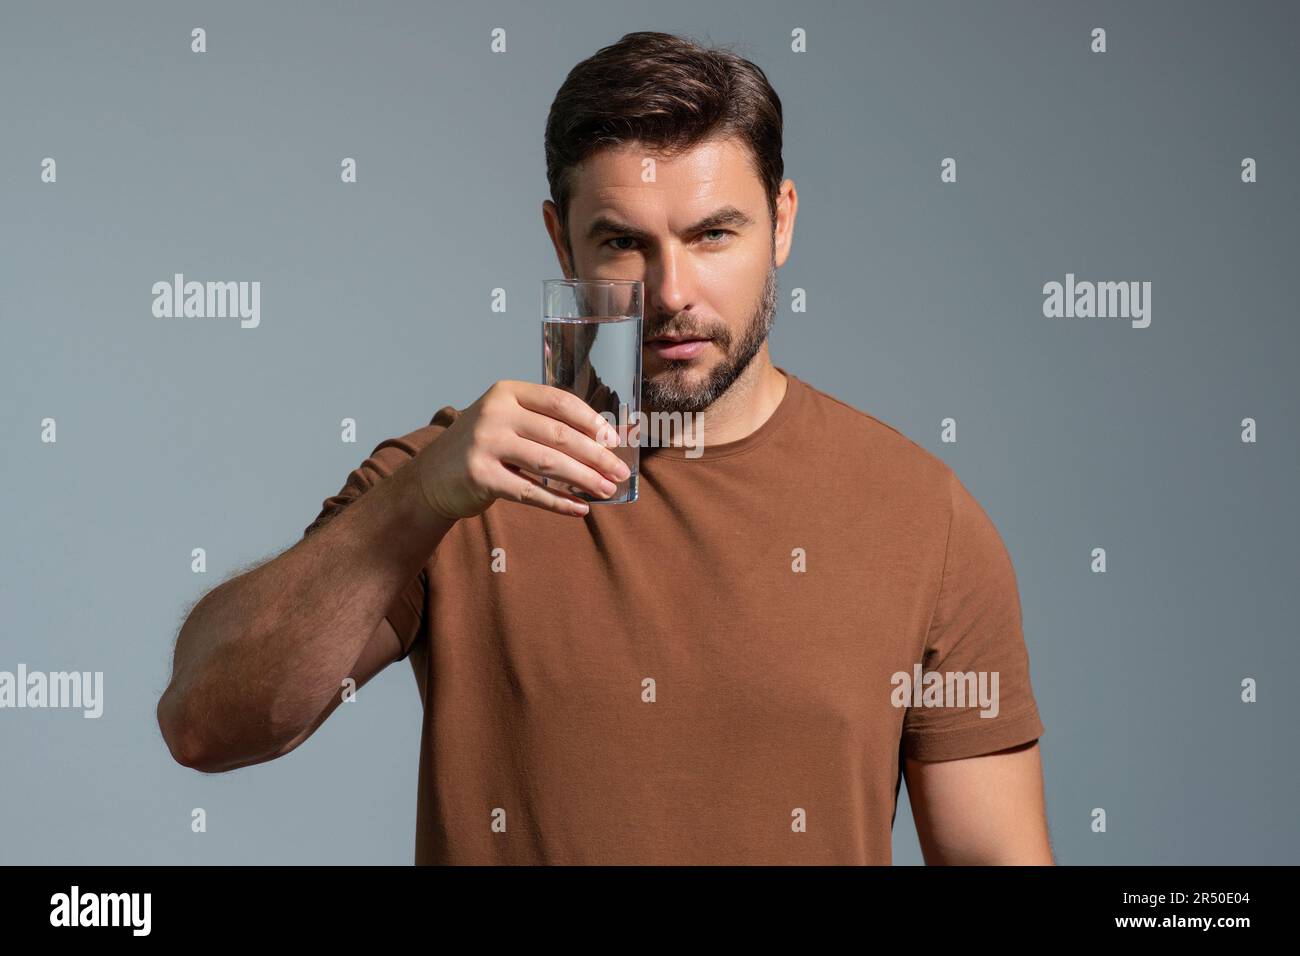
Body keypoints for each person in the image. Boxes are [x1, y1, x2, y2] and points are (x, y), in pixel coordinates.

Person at [158, 31, 1052, 865]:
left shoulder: (918, 512)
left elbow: (995, 858)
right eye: (624, 242)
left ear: (781, 223)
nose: (671, 292)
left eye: (713, 234)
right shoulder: (455, 480)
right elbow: (208, 725)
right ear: (562, 240)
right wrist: (416, 501)